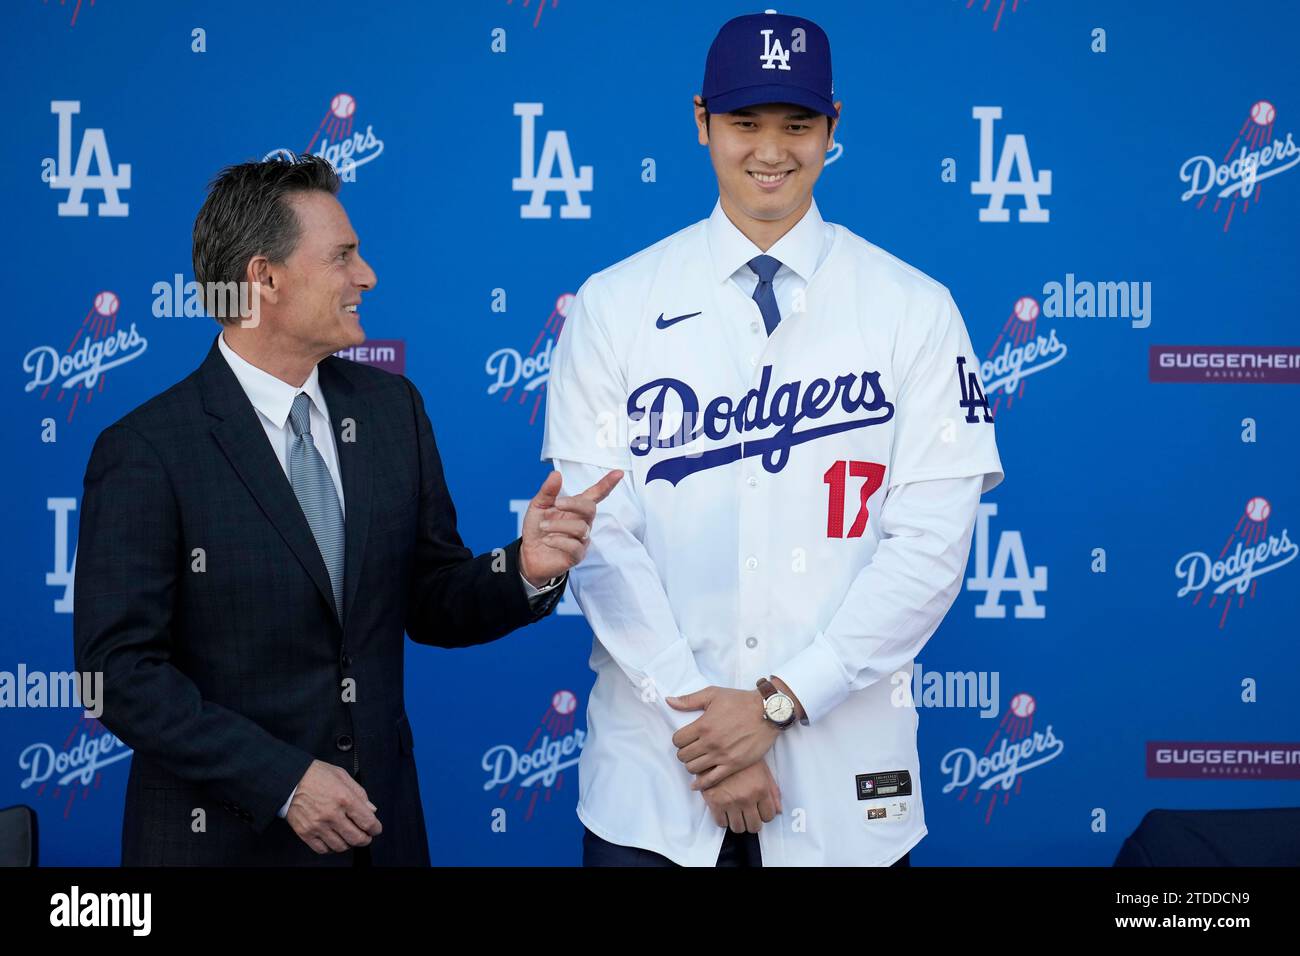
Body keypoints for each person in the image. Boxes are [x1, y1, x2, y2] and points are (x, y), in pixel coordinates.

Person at [542, 10, 1004, 866]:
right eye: (744, 122)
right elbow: (598, 537)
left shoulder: (915, 307)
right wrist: (708, 726)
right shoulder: (613, 302)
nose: (771, 149)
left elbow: (932, 548)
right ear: (701, 121)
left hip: (847, 782)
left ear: (833, 127)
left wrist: (781, 700)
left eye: (797, 124)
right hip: (658, 778)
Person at [73, 154, 621, 866]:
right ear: (263, 279)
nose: (367, 276)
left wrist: (523, 568)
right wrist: (285, 782)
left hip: (379, 839)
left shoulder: (392, 411)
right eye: (343, 257)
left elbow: (430, 597)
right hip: (224, 846)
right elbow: (116, 674)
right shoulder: (147, 450)